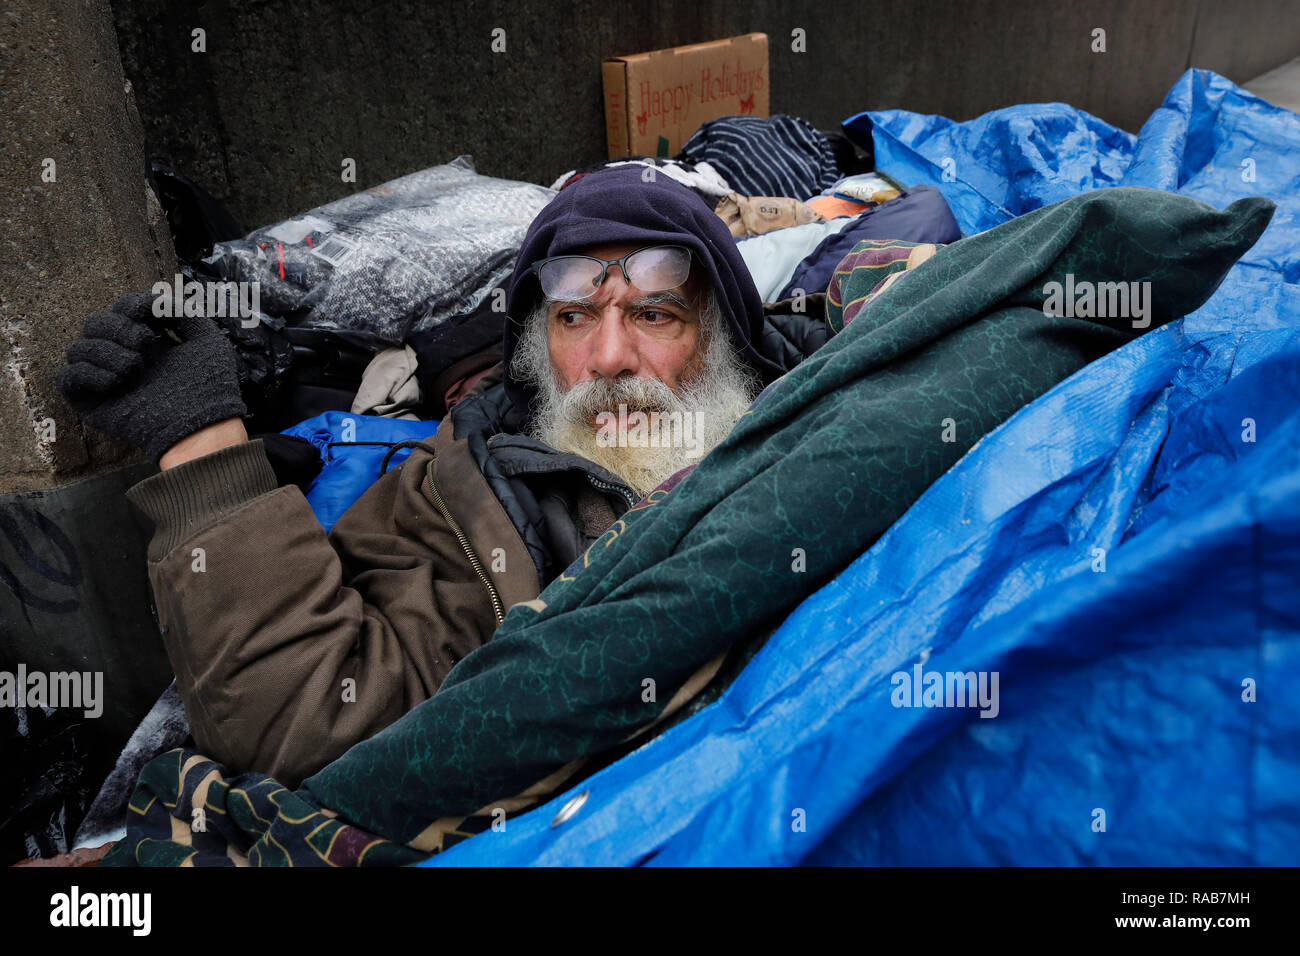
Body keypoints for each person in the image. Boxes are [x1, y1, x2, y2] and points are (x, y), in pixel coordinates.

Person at [57, 167, 822, 787]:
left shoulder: (834, 414)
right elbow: (306, 723)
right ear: (534, 342)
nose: (611, 357)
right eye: (575, 317)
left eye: (655, 315)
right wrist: (207, 447)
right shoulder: (464, 492)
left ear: (726, 337)